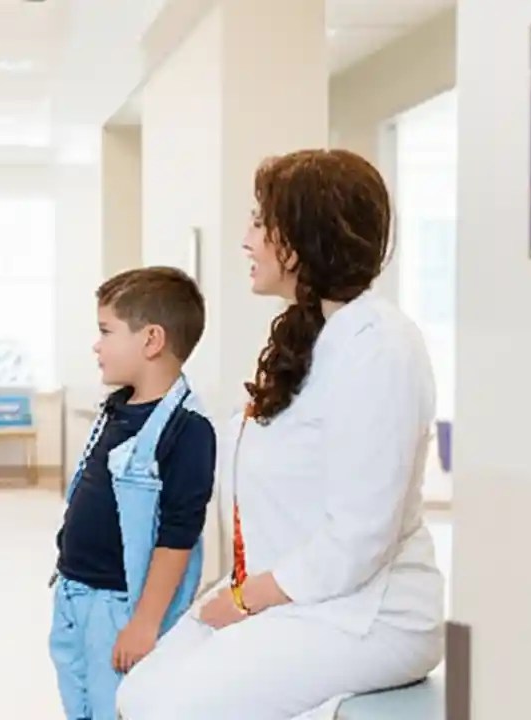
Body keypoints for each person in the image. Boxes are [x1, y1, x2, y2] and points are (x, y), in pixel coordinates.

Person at [116, 149, 445, 719]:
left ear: (305, 237)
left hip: (370, 614)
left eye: (260, 222)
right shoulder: (317, 334)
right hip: (299, 595)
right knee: (137, 694)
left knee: (166, 709)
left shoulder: (379, 346)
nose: (246, 239)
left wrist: (246, 599)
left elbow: (360, 535)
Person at [49, 267, 217, 720]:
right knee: (80, 705)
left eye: (106, 332)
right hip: (74, 593)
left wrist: (144, 623)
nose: (96, 345)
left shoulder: (188, 429)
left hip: (120, 608)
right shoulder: (117, 409)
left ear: (151, 340)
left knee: (115, 708)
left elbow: (178, 535)